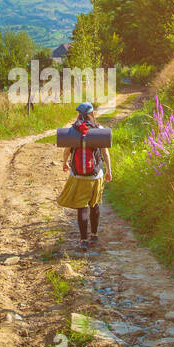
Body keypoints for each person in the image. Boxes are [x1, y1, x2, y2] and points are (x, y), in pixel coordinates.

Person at [56, 102, 112, 251]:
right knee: (95, 204)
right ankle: (94, 235)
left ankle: (83, 240)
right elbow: (105, 153)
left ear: (78, 114)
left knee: (82, 207)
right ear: (92, 113)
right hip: (96, 175)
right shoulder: (99, 130)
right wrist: (109, 171)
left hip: (79, 175)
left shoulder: (73, 130)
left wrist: (65, 163)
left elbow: (67, 151)